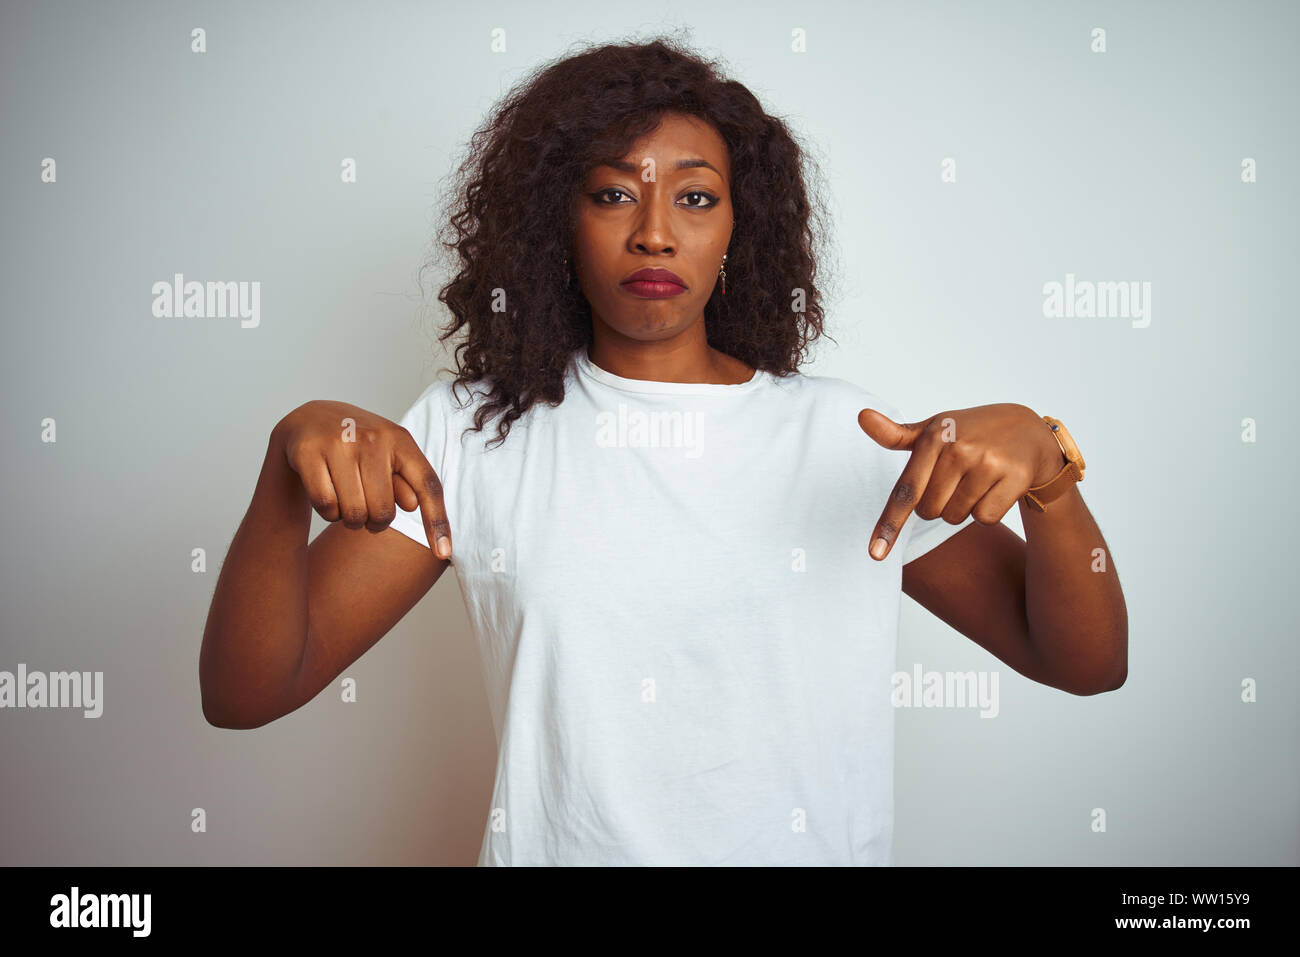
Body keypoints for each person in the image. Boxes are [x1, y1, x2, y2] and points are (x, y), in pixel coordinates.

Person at [199, 35, 1128, 866]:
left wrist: (1051, 474)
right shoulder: (473, 434)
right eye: (612, 194)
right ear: (554, 222)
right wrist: (285, 472)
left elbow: (1083, 662)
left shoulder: (847, 439)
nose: (654, 230)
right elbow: (246, 691)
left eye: (694, 196)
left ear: (739, 227)